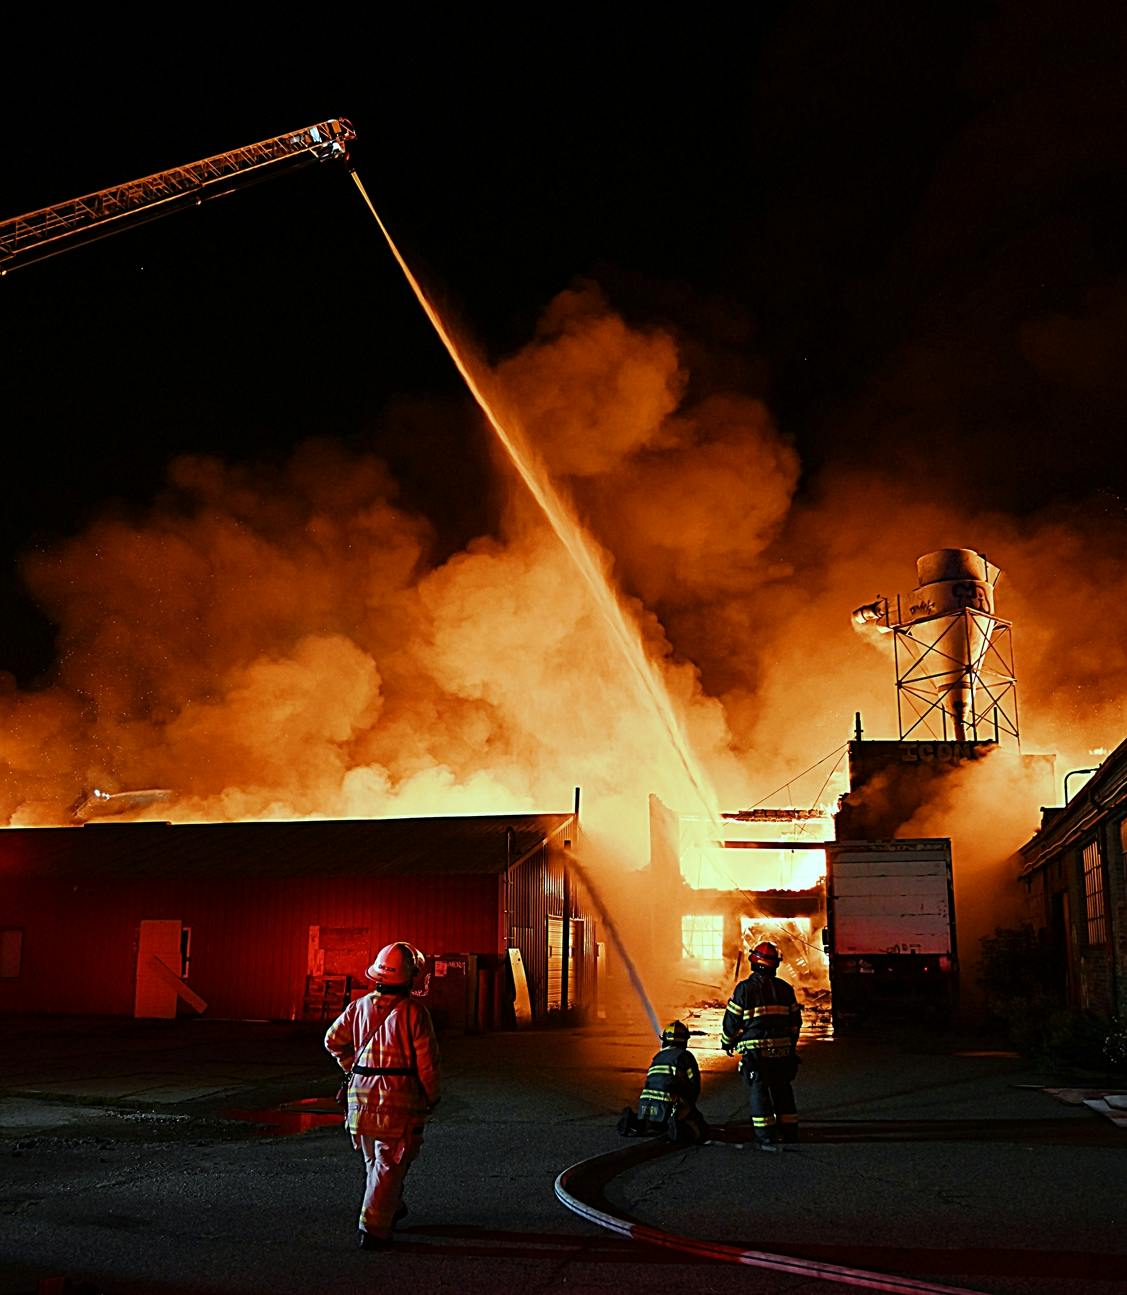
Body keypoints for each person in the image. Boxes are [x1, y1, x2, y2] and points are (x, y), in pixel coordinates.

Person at [324, 941, 441, 1251]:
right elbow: (427, 1063)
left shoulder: (357, 1007)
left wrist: (354, 1068)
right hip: (396, 1102)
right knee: (389, 1163)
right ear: (410, 977)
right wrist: (432, 1096)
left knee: (375, 1163)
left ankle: (390, 1204)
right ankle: (373, 1229)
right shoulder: (415, 1014)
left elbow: (332, 1041)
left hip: (359, 1104)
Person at [720, 941, 802, 1150]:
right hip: (783, 1051)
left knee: (760, 1091)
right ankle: (790, 1132)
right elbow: (795, 1023)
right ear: (775, 965)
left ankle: (765, 1136)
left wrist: (727, 1043)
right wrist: (790, 1046)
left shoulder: (744, 990)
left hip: (756, 1054)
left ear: (754, 962)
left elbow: (732, 1022)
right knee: (782, 1089)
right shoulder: (785, 989)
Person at [617, 1020, 707, 1144]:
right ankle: (677, 1126)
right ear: (684, 1040)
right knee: (698, 1126)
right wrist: (689, 1106)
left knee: (652, 1124)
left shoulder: (657, 1057)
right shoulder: (685, 1056)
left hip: (646, 1105)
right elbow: (694, 1085)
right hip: (668, 1105)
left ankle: (633, 1120)